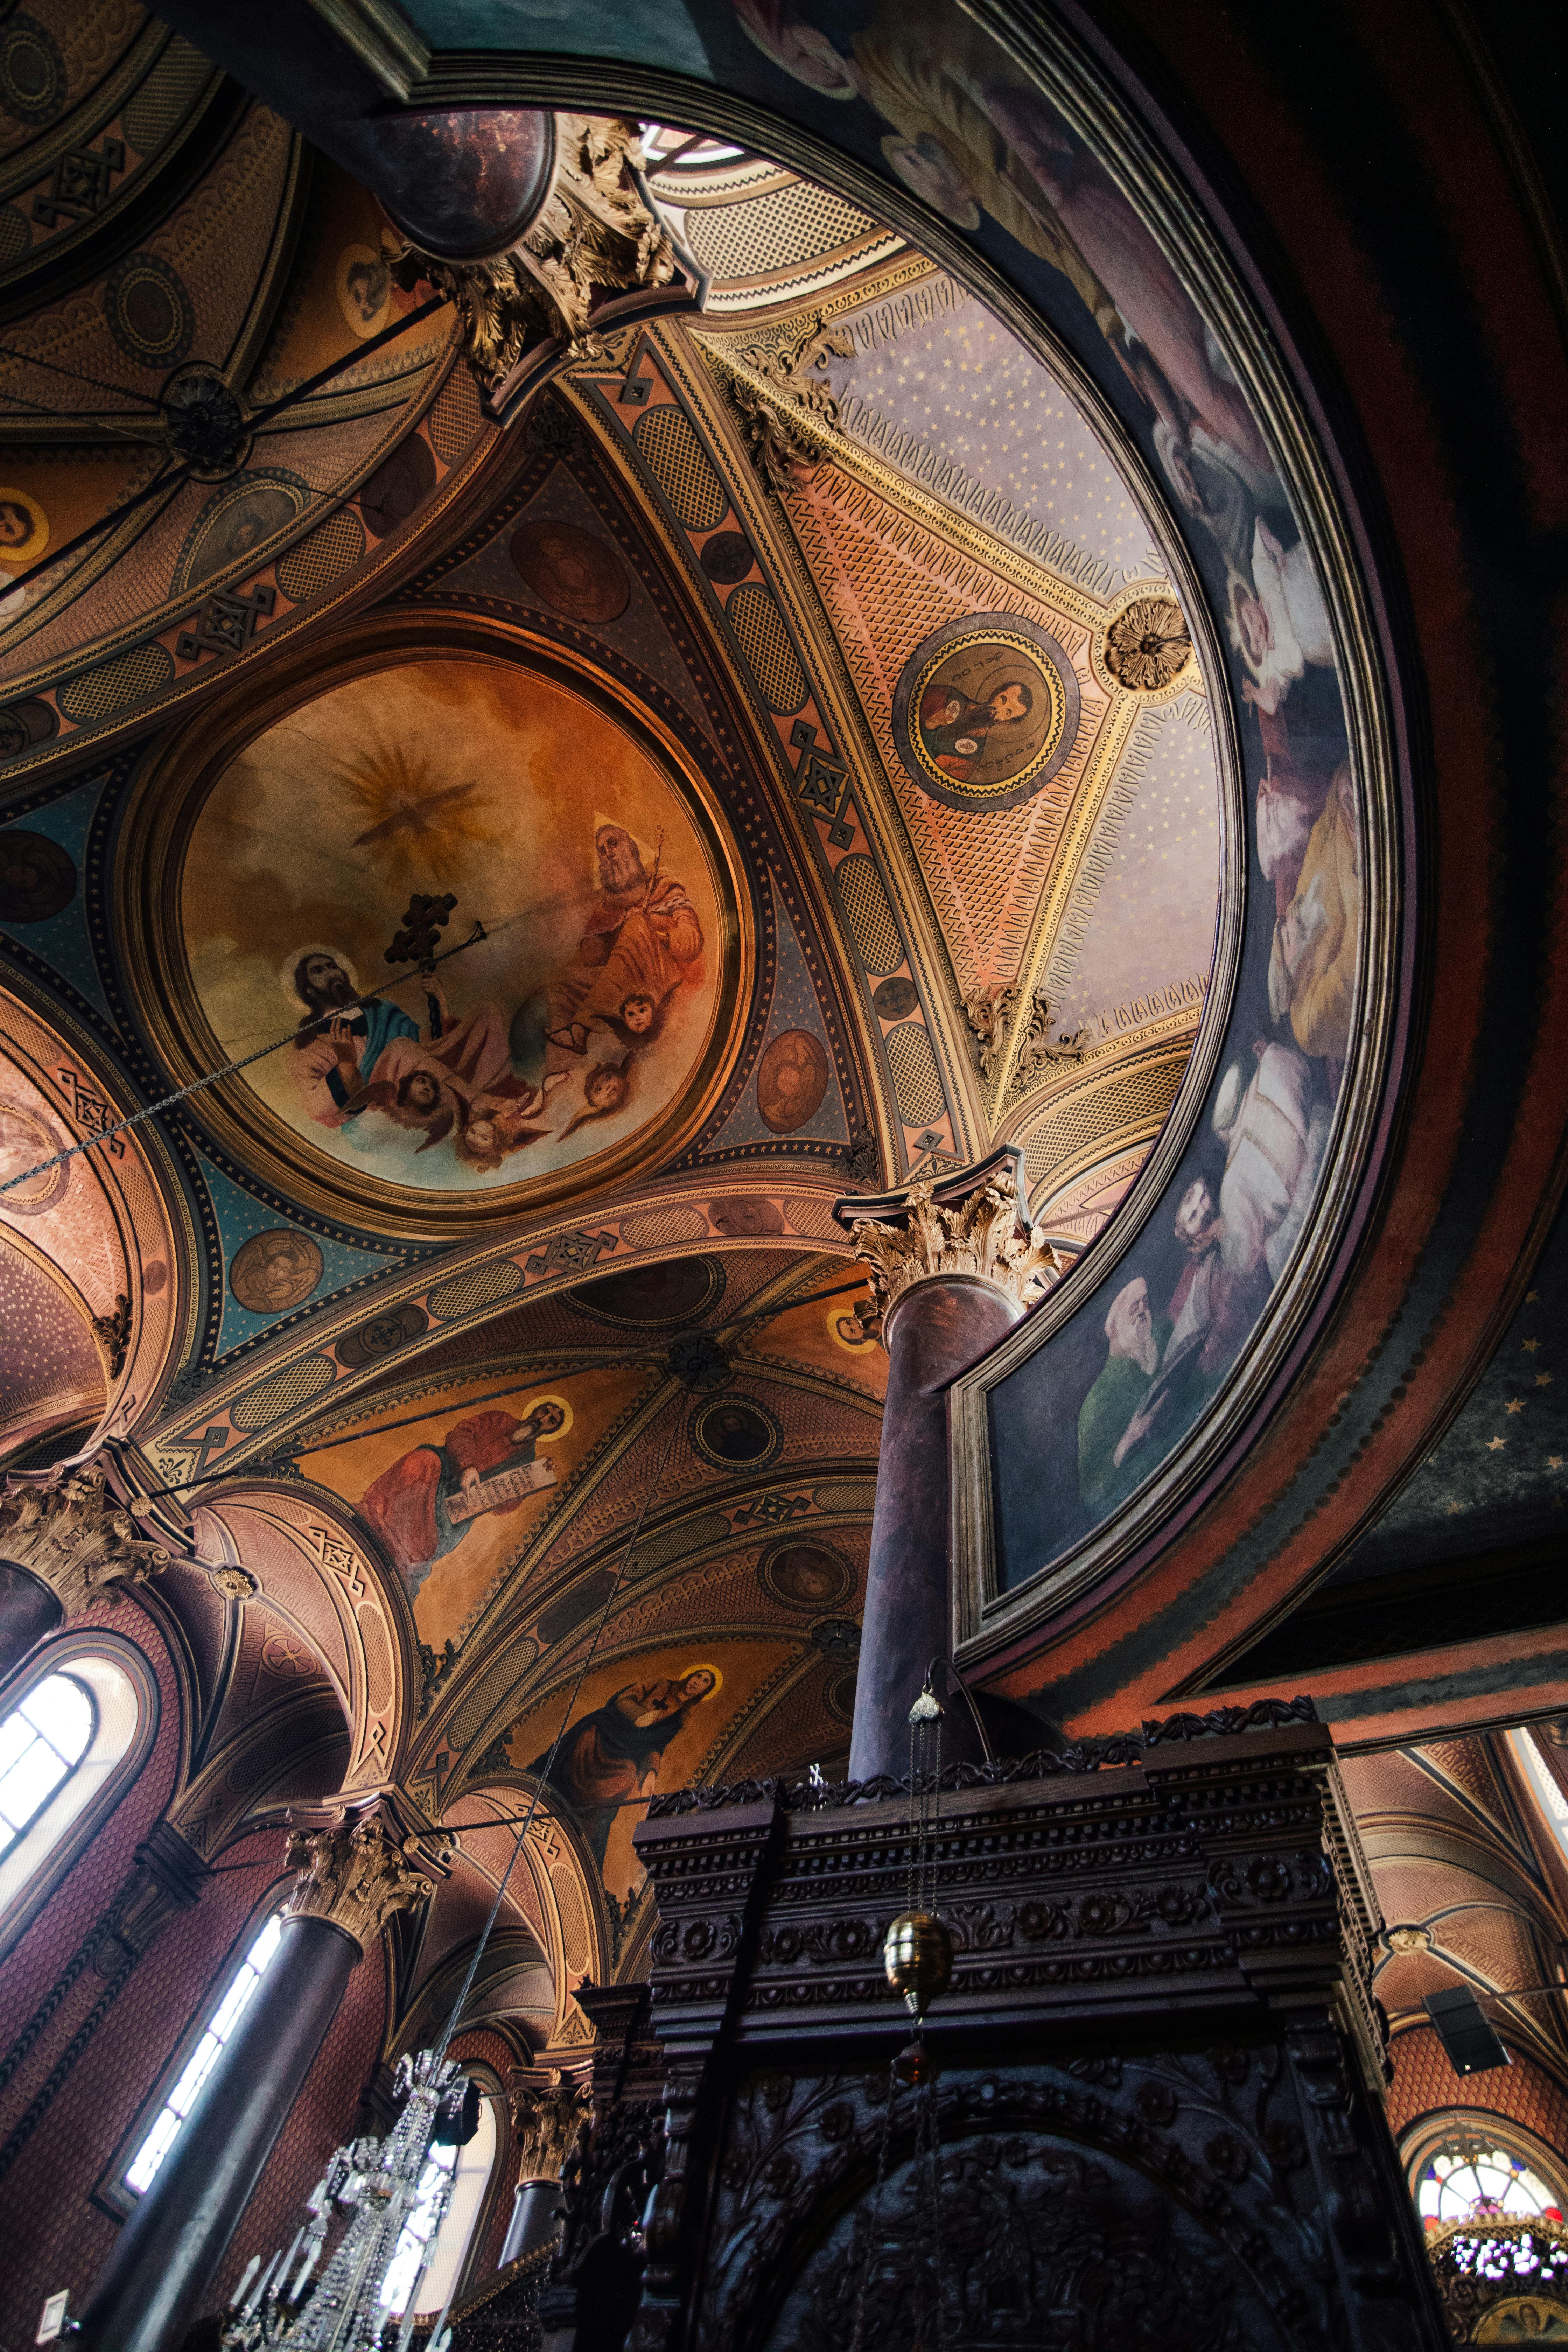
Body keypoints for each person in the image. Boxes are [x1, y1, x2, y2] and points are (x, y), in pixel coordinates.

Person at [360, 1401, 566, 1599]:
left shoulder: (527, 1459)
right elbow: (462, 1432)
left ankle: (403, 1559)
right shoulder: (500, 1419)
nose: (544, 1419)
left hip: (466, 1498)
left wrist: (535, 1477)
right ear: (536, 1410)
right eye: (546, 1412)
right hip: (446, 1464)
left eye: (551, 1421)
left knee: (446, 1531)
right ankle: (375, 1516)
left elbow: (503, 1506)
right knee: (422, 1462)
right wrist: (468, 1466)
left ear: (550, 1430)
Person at [531, 1667, 721, 1867]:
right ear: (690, 1676)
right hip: (606, 1730)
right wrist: (639, 1716)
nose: (698, 1681)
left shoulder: (681, 1718)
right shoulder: (659, 1684)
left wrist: (650, 1774)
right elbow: (623, 1699)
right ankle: (552, 1796)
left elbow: (656, 1747)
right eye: (698, 1676)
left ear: (704, 1693)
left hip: (627, 1751)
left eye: (705, 1682)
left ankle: (580, 1826)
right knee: (584, 1745)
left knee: (627, 1778)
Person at [1076, 1276, 1169, 1513]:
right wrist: (1128, 1439)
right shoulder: (1099, 1399)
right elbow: (1091, 1492)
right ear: (1115, 1325)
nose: (1143, 1311)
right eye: (1134, 1306)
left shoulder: (1161, 1334)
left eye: (1145, 1301)